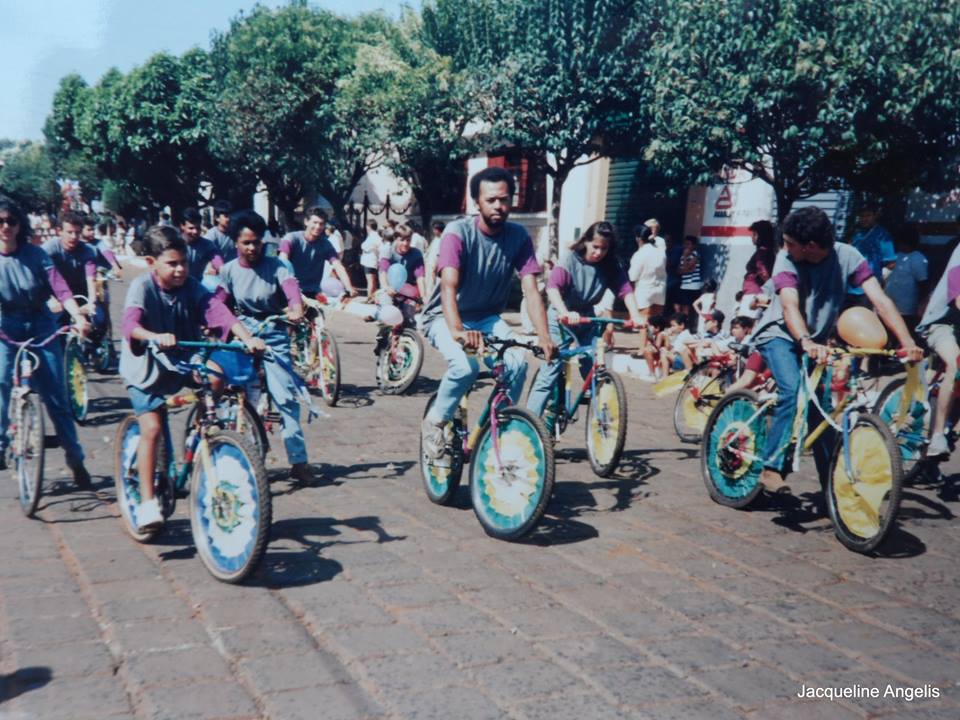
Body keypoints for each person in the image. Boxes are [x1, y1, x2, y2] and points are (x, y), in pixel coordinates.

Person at [751, 207, 922, 495]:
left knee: (823, 415)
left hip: (815, 341)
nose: (785, 246)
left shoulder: (849, 257)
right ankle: (771, 467)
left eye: (790, 242)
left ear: (811, 246)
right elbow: (790, 305)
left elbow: (879, 299)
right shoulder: (786, 259)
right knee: (793, 391)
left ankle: (832, 488)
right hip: (780, 335)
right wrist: (806, 341)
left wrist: (907, 342)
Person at [119, 226, 265, 531]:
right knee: (153, 427)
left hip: (181, 360)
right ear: (151, 262)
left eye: (183, 262)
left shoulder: (194, 286)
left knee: (216, 377)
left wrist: (247, 338)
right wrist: (154, 336)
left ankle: (199, 436)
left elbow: (221, 314)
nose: (180, 269)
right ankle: (147, 503)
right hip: (145, 368)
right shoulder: (142, 288)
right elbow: (130, 324)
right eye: (172, 264)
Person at [420, 167, 556, 458]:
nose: (498, 206)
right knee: (465, 367)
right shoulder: (458, 233)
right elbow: (448, 286)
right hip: (444, 318)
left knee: (518, 363)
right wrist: (457, 330)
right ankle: (434, 422)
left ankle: (498, 429)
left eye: (504, 199)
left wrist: (544, 337)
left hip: (487, 319)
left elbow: (532, 289)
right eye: (491, 200)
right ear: (476, 203)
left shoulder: (518, 236)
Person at [218, 210, 316, 484]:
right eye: (246, 242)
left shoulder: (278, 267)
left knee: (285, 397)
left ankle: (298, 461)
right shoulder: (228, 271)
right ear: (236, 243)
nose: (251, 248)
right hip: (242, 333)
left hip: (273, 331)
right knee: (236, 396)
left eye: (256, 242)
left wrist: (296, 309)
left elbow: (291, 291)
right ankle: (239, 452)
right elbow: (218, 304)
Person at [0, 197, 92, 485]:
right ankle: (2, 445)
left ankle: (75, 458)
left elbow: (60, 288)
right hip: (5, 326)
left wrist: (77, 316)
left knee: (57, 397)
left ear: (20, 224)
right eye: (0, 221)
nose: (5, 227)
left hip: (40, 324)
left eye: (11, 221)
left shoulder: (36, 255)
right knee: (2, 381)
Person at [526, 221, 644, 416]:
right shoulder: (570, 260)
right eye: (595, 247)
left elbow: (625, 291)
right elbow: (553, 289)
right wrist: (564, 312)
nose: (599, 253)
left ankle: (603, 423)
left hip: (587, 318)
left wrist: (636, 315)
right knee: (550, 370)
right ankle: (527, 424)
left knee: (594, 366)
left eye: (604, 248)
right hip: (561, 317)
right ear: (586, 242)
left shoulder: (610, 265)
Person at [916, 242, 960, 459]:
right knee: (957, 364)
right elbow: (959, 299)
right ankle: (936, 436)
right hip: (942, 324)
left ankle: (951, 429)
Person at [43, 212, 105, 336]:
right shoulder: (48, 249)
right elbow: (41, 278)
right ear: (59, 231)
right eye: (69, 232)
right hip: (56, 293)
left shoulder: (88, 250)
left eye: (77, 232)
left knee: (98, 321)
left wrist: (91, 302)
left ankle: (95, 351)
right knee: (57, 326)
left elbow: (90, 278)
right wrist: (50, 299)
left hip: (81, 290)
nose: (74, 237)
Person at [279, 207, 358, 298]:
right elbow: (283, 261)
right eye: (315, 222)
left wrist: (349, 287)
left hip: (312, 293)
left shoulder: (325, 244)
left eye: (321, 224)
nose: (318, 227)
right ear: (306, 222)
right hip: (289, 291)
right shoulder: (291, 238)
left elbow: (338, 266)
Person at [847, 202, 895, 307]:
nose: (864, 219)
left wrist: (880, 283)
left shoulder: (882, 234)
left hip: (868, 287)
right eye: (862, 216)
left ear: (875, 216)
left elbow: (891, 263)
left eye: (868, 215)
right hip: (849, 286)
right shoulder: (855, 233)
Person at [884, 227, 929, 336]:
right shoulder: (895, 256)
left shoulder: (917, 258)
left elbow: (923, 283)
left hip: (906, 308)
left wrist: (921, 304)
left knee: (904, 332)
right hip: (890, 305)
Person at [379, 224, 426, 310]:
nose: (405, 243)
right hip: (390, 288)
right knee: (384, 302)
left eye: (408, 240)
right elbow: (383, 273)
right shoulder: (387, 251)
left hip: (408, 289)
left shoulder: (416, 253)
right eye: (402, 240)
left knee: (409, 310)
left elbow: (420, 277)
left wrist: (423, 297)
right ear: (396, 239)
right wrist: (386, 288)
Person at [741, 219, 776, 316]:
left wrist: (770, 291)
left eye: (754, 234)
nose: (752, 237)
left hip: (754, 293)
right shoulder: (769, 252)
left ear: (761, 236)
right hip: (755, 293)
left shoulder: (761, 253)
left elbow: (764, 273)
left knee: (745, 323)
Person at [180, 208, 223, 280]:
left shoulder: (207, 244)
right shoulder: (173, 245)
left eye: (198, 228)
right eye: (191, 228)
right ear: (182, 226)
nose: (195, 232)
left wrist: (221, 270)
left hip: (197, 286)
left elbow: (218, 262)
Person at [676, 235, 702, 316]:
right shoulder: (683, 256)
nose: (686, 246)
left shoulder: (695, 255)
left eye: (688, 244)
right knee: (682, 307)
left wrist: (685, 257)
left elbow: (687, 268)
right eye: (685, 244)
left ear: (694, 245)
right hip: (685, 285)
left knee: (688, 309)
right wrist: (685, 270)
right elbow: (679, 271)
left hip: (693, 286)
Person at [360, 219, 382, 298]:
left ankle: (369, 297)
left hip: (370, 261)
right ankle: (374, 297)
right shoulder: (376, 236)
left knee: (370, 281)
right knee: (373, 280)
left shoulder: (373, 236)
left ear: (368, 227)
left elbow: (364, 246)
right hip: (373, 260)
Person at [424, 220, 444, 295]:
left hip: (434, 267)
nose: (433, 231)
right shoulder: (436, 239)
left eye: (434, 229)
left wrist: (434, 269)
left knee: (433, 287)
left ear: (437, 229)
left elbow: (439, 255)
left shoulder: (443, 239)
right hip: (429, 266)